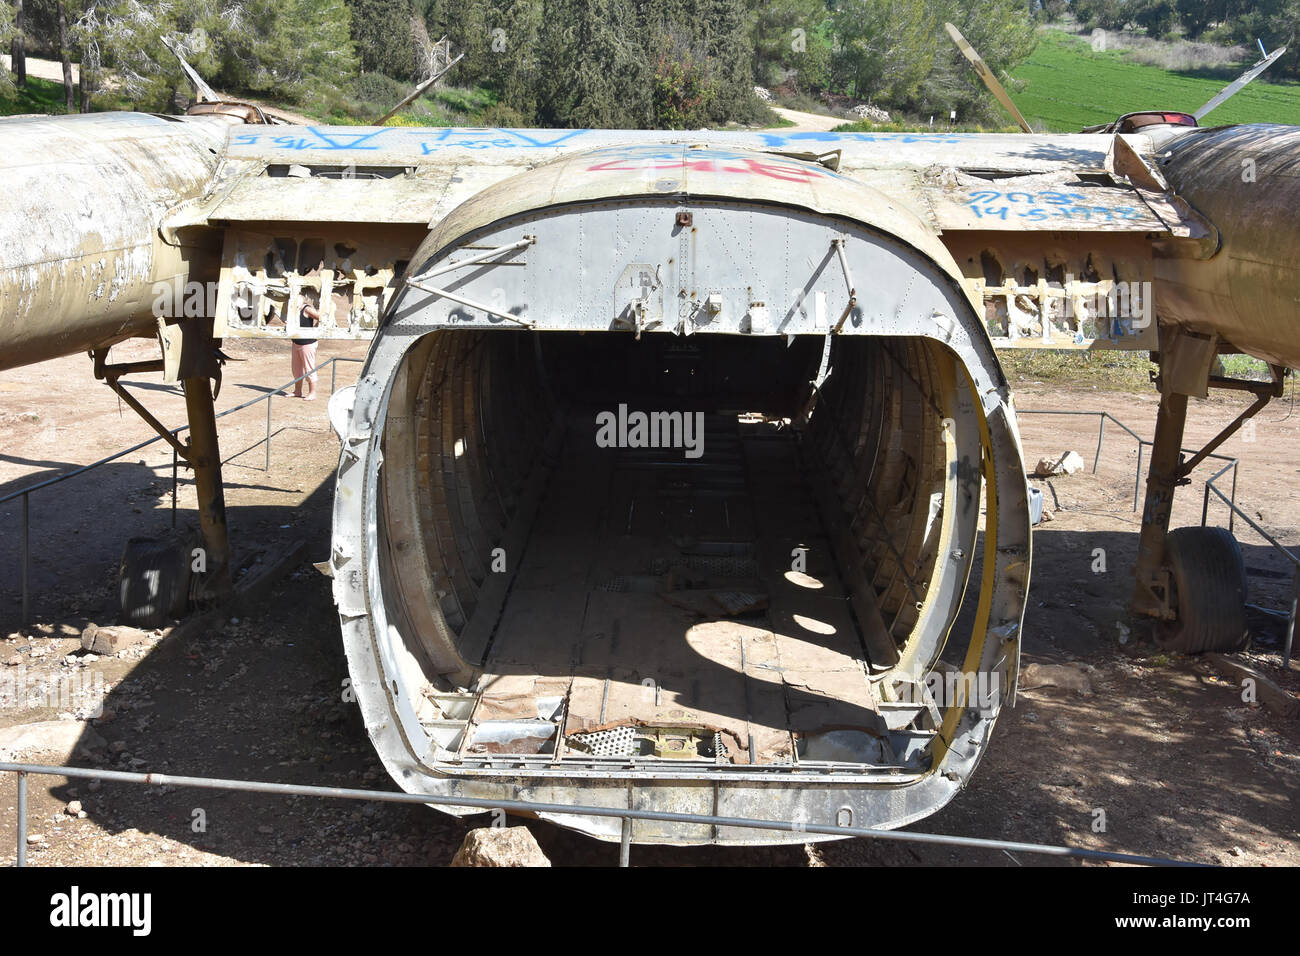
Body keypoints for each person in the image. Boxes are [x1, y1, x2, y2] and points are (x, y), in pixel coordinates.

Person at [292, 290, 321, 400]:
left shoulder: (306, 309)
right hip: (296, 342)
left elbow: (321, 317)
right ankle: (297, 391)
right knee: (296, 369)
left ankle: (312, 393)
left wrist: (314, 330)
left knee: (309, 369)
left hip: (307, 343)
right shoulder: (293, 310)